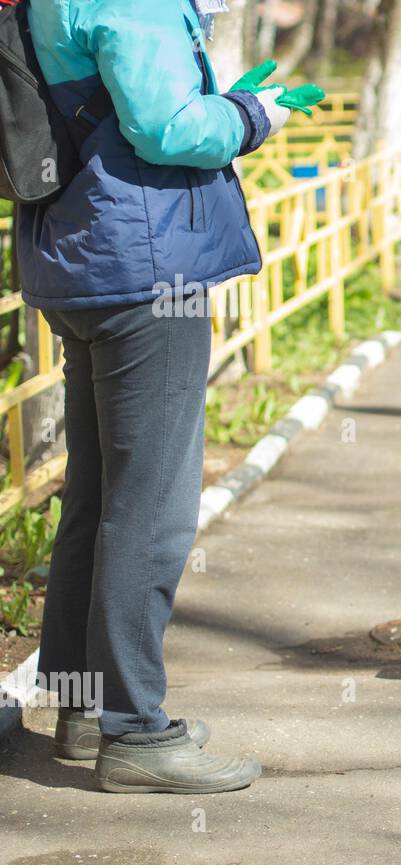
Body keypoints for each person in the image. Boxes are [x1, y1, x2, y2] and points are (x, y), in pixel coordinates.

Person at [19, 0, 296, 793]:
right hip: (146, 267)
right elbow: (166, 128)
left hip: (79, 258)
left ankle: (82, 707)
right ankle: (137, 732)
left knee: (99, 492)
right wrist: (251, 115)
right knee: (153, 506)